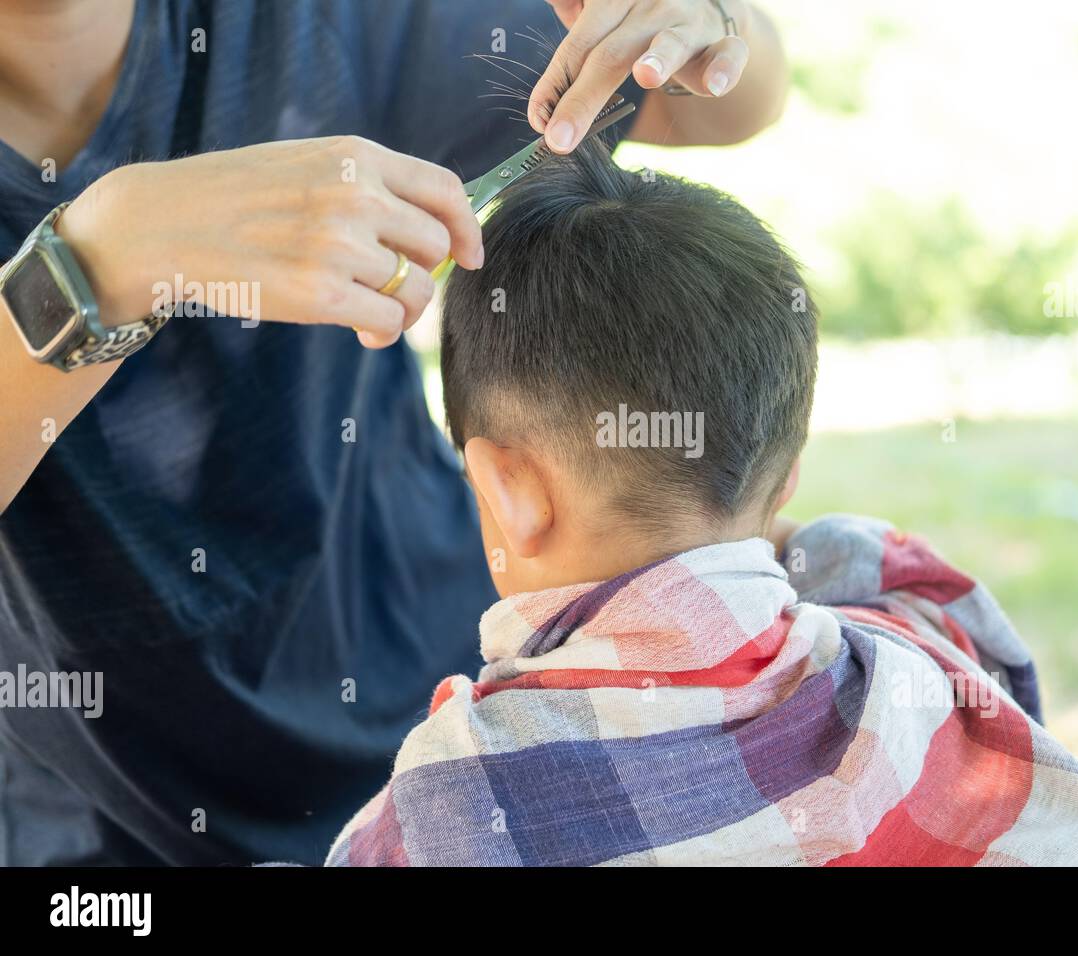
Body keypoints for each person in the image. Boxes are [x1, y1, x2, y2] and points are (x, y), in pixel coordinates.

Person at [0, 0, 789, 865]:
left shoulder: (312, 25)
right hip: (118, 827)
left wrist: (703, 24)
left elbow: (715, 101)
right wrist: (105, 254)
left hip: (475, 732)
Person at [324, 141, 1078, 866]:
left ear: (507, 489)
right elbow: (892, 573)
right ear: (786, 477)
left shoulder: (450, 802)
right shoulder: (920, 671)